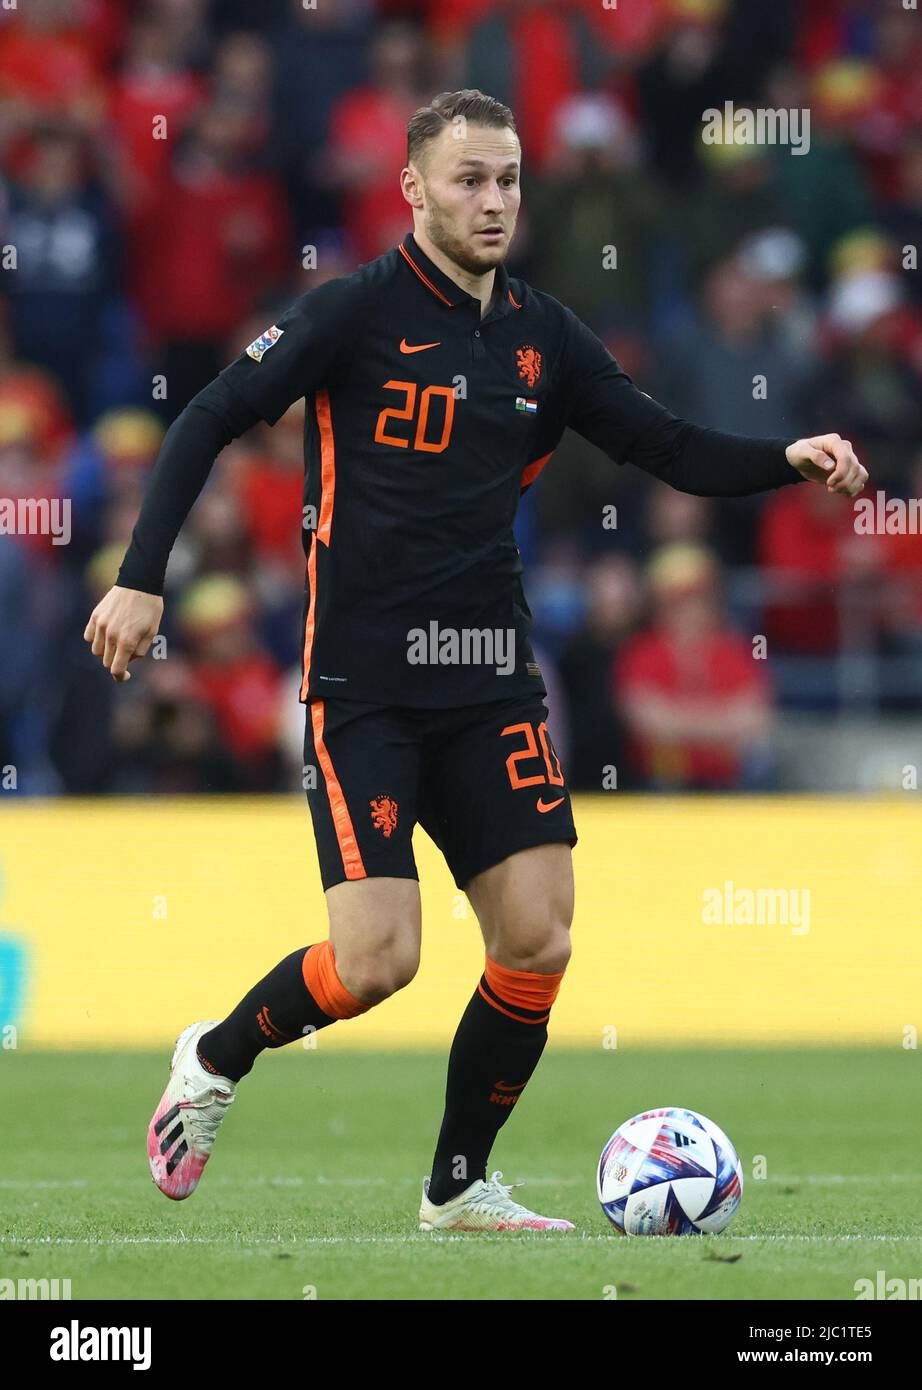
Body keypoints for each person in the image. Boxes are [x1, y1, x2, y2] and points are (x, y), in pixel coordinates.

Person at [83, 89, 867, 1233]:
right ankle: (211, 1054)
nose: (493, 200)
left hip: (490, 674)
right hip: (365, 687)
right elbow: (206, 413)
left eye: (506, 178)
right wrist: (141, 573)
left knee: (539, 934)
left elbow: (669, 447)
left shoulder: (544, 335)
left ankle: (457, 1185)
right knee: (376, 961)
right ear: (412, 188)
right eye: (467, 179)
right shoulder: (352, 314)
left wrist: (786, 458)